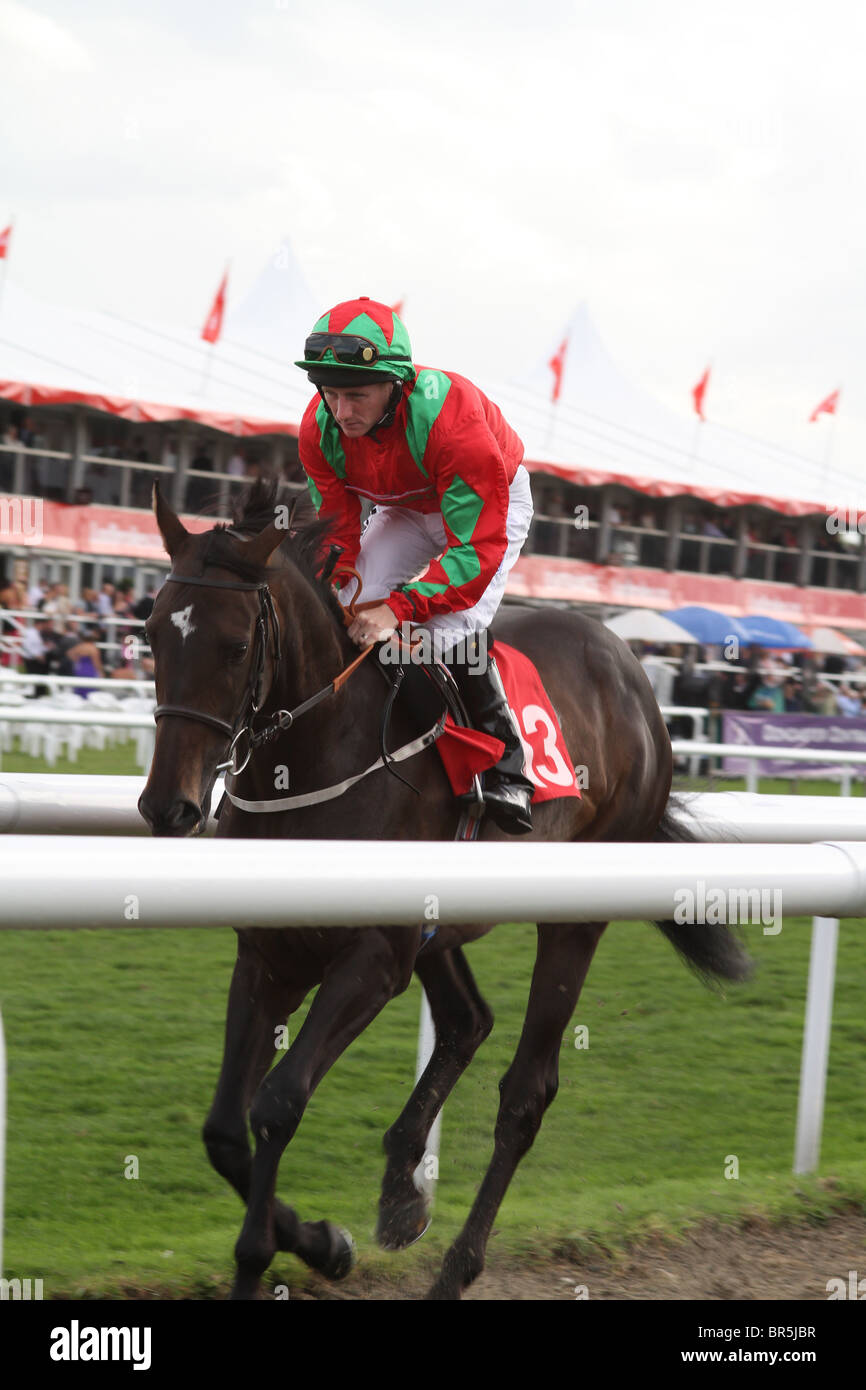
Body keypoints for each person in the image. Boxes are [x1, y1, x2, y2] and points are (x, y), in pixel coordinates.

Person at [294, 296, 535, 833]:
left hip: (486, 508)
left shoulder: (453, 422)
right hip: (405, 506)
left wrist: (400, 608)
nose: (342, 412)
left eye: (356, 395)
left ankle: (507, 761)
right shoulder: (319, 430)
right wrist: (344, 591)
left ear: (397, 383)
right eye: (329, 394)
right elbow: (338, 530)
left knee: (445, 630)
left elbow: (474, 552)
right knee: (349, 609)